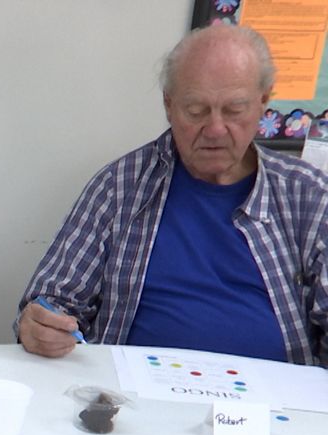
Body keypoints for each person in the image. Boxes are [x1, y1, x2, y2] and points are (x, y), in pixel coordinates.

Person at [18, 24, 328, 366]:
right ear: (169, 105)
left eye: (234, 110)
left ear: (263, 103)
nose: (214, 129)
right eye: (196, 110)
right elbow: (51, 302)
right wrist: (39, 324)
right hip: (132, 401)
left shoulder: (308, 196)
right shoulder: (120, 186)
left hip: (275, 408)